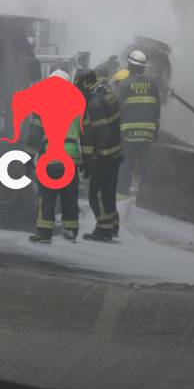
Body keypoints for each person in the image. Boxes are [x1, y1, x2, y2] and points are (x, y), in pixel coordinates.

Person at [24, 70, 82, 244]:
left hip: (51, 157)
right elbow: (86, 132)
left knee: (46, 197)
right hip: (71, 158)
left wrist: (28, 156)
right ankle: (71, 230)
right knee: (69, 197)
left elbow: (35, 133)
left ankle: (44, 233)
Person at [76, 68, 123, 242]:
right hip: (115, 153)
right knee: (109, 192)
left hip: (103, 156)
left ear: (87, 83)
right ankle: (113, 224)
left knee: (97, 193)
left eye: (79, 85)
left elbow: (94, 136)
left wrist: (90, 161)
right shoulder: (107, 94)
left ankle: (103, 230)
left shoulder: (94, 105)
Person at [117, 49, 162, 196]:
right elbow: (157, 111)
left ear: (129, 66)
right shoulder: (153, 86)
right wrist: (155, 131)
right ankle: (147, 195)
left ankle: (121, 195)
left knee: (126, 165)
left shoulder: (124, 85)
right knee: (145, 165)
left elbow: (117, 110)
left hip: (128, 134)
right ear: (143, 68)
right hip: (147, 133)